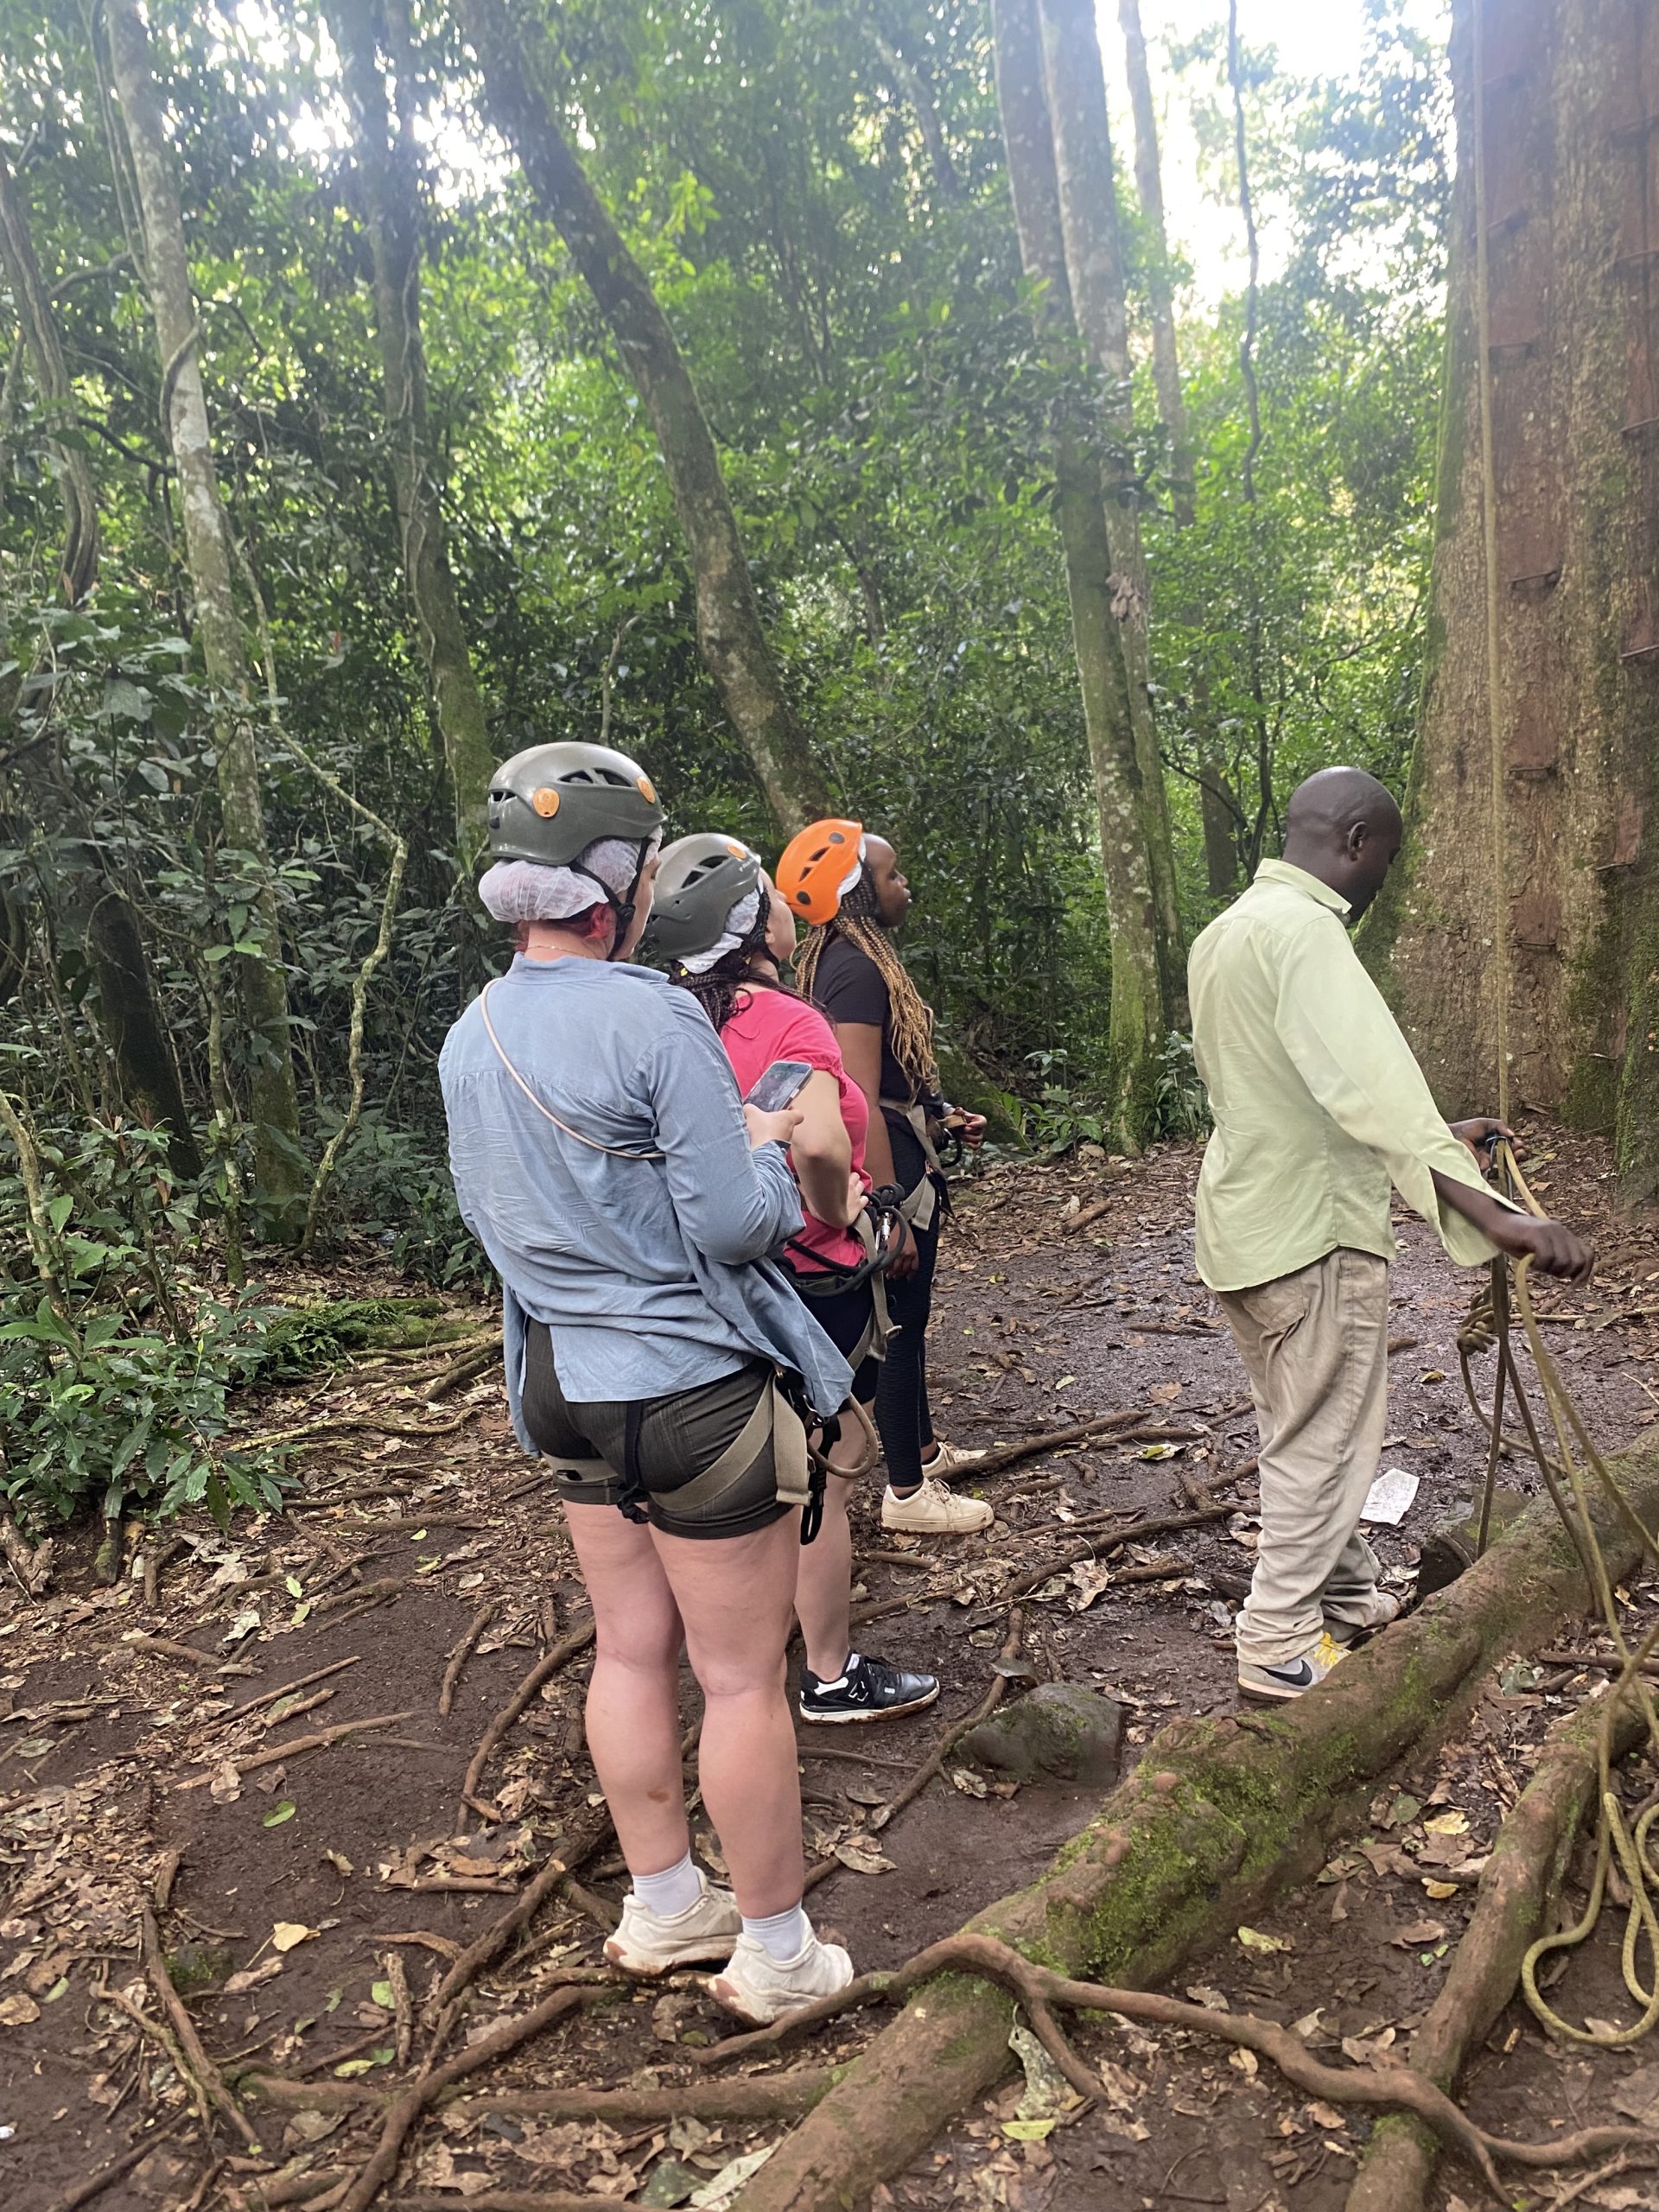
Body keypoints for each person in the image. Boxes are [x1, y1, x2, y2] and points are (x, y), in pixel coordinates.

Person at [440, 741, 855, 2023]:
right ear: (616, 877)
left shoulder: (470, 1035)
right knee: (740, 1679)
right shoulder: (652, 1012)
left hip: (560, 1382)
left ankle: (667, 1905)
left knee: (628, 1645)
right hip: (689, 1389)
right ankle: (778, 1954)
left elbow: (502, 1214)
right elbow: (735, 1225)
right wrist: (787, 1155)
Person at [1189, 766, 1595, 1703]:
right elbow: (1377, 1091)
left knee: (1302, 1420)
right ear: (1358, 842)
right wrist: (1507, 1220)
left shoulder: (1230, 932)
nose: (1382, 879)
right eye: (1388, 859)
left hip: (1249, 1219)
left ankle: (1340, 1593)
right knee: (1322, 1439)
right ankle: (1279, 1646)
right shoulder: (1308, 935)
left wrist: (1444, 1139)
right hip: (1309, 1232)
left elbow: (1300, 1090)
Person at [647, 832, 941, 1724]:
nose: (785, 901)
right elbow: (816, 1140)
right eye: (766, 895)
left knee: (751, 1460)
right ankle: (826, 1670)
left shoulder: (667, 1015)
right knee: (833, 1462)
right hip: (811, 1277)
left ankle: (735, 1654)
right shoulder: (787, 1017)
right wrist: (855, 1218)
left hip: (707, 1283)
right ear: (753, 924)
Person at [785, 822, 994, 1536]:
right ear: (860, 894)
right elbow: (858, 1093)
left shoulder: (839, 960)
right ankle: (906, 1492)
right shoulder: (854, 968)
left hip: (901, 1142)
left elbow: (890, 1088)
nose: (905, 885)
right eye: (893, 875)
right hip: (886, 1165)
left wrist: (935, 1115)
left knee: (912, 1315)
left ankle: (923, 1451)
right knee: (902, 1322)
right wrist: (887, 1202)